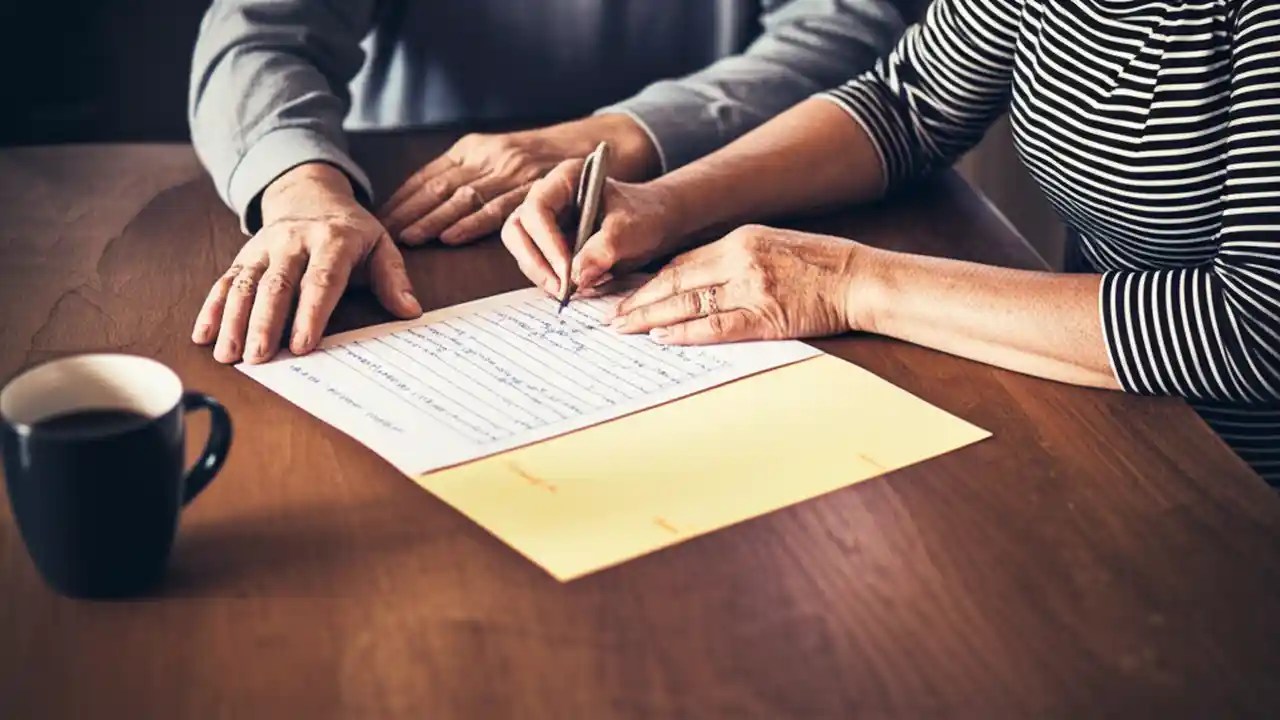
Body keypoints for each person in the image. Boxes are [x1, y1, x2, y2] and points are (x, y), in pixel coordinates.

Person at [509, 0, 1280, 484]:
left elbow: (1253, 327)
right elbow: (905, 105)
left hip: (1238, 485)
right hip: (1121, 423)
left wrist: (848, 281)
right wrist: (666, 201)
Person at [186, 0, 907, 365]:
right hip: (413, 224)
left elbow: (853, 38)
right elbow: (258, 31)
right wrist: (302, 188)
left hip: (711, 191)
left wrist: (622, 133)